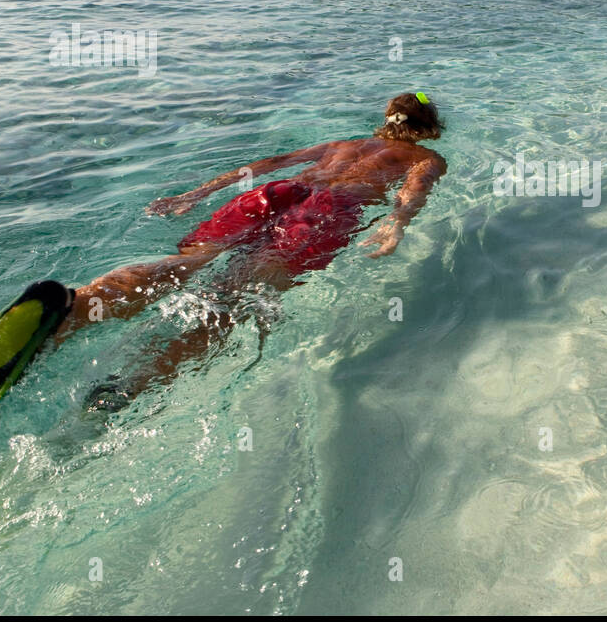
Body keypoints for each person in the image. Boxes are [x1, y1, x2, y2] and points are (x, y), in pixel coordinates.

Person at [49, 92, 445, 407]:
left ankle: (78, 306)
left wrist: (198, 192)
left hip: (277, 192)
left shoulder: (341, 144)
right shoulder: (427, 157)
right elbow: (415, 189)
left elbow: (273, 162)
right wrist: (398, 223)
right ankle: (135, 382)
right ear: (429, 128)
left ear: (387, 119)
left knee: (186, 263)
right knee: (241, 295)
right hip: (328, 208)